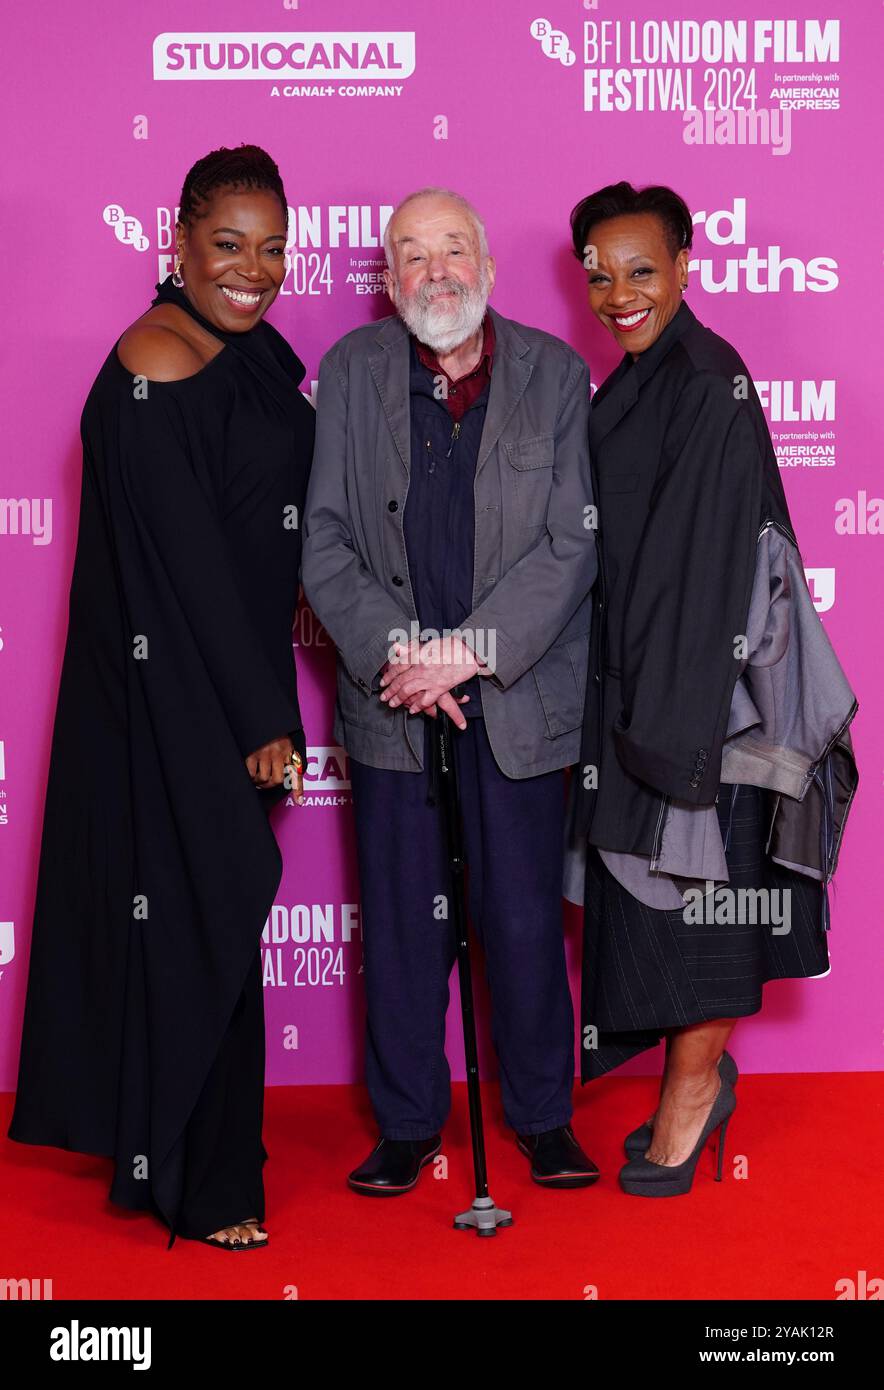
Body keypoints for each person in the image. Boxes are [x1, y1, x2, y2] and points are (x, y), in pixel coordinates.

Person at [8, 144, 315, 1249]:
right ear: (177, 240)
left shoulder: (238, 347)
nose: (252, 270)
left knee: (202, 918)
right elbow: (185, 568)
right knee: (201, 916)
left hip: (224, 677)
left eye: (272, 248)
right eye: (227, 244)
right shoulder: (153, 358)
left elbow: (253, 513)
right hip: (174, 696)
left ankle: (188, 1156)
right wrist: (260, 719)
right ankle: (205, 1184)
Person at [303, 187, 599, 1195]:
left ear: (487, 265)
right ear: (388, 281)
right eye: (413, 255)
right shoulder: (350, 372)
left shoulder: (556, 374)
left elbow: (571, 545)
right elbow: (325, 539)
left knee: (521, 918)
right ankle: (405, 1124)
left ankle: (543, 1117)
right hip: (395, 699)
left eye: (452, 250)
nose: (436, 272)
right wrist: (405, 656)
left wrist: (466, 652)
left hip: (514, 698)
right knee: (400, 924)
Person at [566, 181, 858, 1196]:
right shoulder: (640, 377)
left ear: (685, 265)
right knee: (663, 919)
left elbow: (708, 575)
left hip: (705, 707)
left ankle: (692, 1098)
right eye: (598, 275)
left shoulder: (705, 378)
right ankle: (688, 1086)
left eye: (640, 270)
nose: (618, 294)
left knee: (703, 913)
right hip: (649, 692)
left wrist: (671, 745)